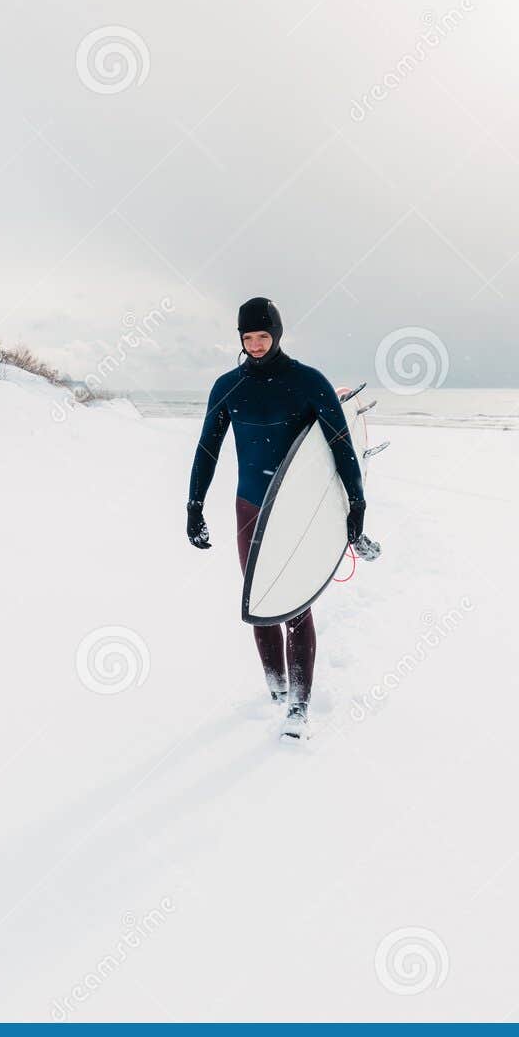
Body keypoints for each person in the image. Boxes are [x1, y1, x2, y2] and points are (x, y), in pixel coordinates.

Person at [186, 296, 368, 736]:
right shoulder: (228, 386)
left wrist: (356, 502)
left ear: (278, 334)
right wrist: (194, 505)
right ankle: (277, 689)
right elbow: (208, 449)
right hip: (249, 508)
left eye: (263, 336)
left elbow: (341, 445)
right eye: (247, 338)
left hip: (296, 510)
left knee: (295, 603)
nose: (256, 345)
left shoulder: (307, 382)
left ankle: (299, 706)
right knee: (260, 602)